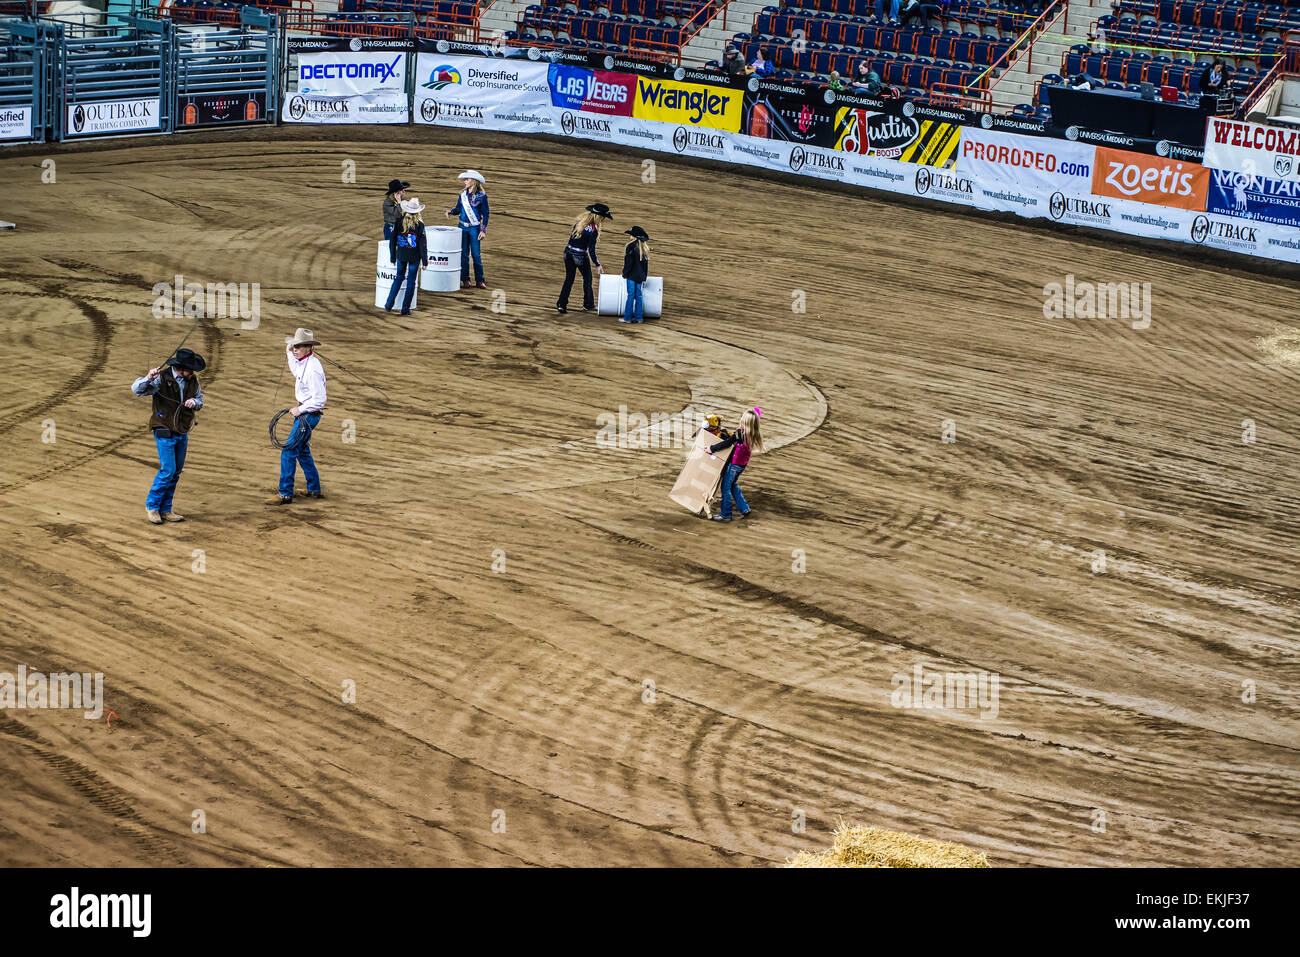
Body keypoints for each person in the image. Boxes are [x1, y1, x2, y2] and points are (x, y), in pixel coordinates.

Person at [132, 348, 205, 525]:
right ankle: (152, 506)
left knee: (176, 472)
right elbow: (137, 390)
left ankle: (166, 509)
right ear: (181, 368)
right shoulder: (160, 378)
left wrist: (194, 402)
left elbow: (199, 400)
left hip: (181, 430)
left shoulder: (193, 381)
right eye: (190, 369)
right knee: (168, 470)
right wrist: (148, 378)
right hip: (164, 429)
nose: (192, 372)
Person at [268, 329, 326, 506]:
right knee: (302, 451)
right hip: (308, 415)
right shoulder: (304, 363)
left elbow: (320, 399)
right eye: (294, 345)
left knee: (288, 451)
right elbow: (295, 369)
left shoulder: (313, 370)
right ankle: (314, 488)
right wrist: (288, 351)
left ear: (309, 348)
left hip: (308, 415)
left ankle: (285, 493)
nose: (295, 349)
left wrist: (301, 409)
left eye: (299, 346)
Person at [707, 406, 764, 522]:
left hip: (733, 466)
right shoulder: (751, 435)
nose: (740, 424)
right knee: (732, 485)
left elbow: (728, 443)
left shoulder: (740, 434)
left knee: (725, 488)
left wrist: (711, 448)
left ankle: (726, 514)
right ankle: (744, 508)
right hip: (741, 466)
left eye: (743, 423)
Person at [557, 203, 612, 314]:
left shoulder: (580, 223)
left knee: (569, 279)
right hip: (580, 256)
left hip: (568, 252)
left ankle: (561, 304)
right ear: (599, 217)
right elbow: (591, 250)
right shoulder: (594, 230)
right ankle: (588, 304)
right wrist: (597, 264)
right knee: (587, 279)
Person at [446, 169, 489, 289]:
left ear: (474, 181)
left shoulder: (482, 196)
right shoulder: (463, 195)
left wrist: (483, 230)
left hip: (474, 228)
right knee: (463, 255)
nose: (465, 181)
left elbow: (485, 214)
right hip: (462, 227)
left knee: (476, 255)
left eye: (467, 179)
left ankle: (480, 280)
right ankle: (465, 279)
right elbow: (458, 209)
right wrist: (451, 212)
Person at [386, 197, 427, 315]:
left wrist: (392, 257)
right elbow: (422, 244)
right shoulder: (420, 225)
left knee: (398, 278)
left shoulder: (399, 221)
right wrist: (425, 261)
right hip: (414, 257)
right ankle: (405, 309)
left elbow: (392, 240)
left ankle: (389, 304)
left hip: (401, 255)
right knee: (411, 282)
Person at [620, 225, 650, 325]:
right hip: (640, 276)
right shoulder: (644, 248)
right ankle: (639, 318)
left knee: (630, 296)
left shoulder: (630, 246)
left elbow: (628, 263)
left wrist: (625, 274)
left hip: (631, 276)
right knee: (639, 296)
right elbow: (645, 265)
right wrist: (644, 276)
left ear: (633, 236)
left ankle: (627, 318)